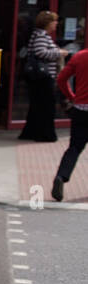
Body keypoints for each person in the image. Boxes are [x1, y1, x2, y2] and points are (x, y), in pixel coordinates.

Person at [19, 11, 67, 142]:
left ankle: (32, 132)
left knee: (37, 105)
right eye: (54, 21)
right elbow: (41, 52)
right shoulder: (41, 36)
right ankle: (45, 134)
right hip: (43, 76)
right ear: (47, 23)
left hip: (41, 76)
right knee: (47, 105)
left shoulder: (40, 35)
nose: (56, 24)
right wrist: (59, 52)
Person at [52, 40, 88, 201]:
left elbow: (61, 79)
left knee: (74, 147)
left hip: (80, 109)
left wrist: (72, 97)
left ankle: (61, 176)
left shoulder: (80, 57)